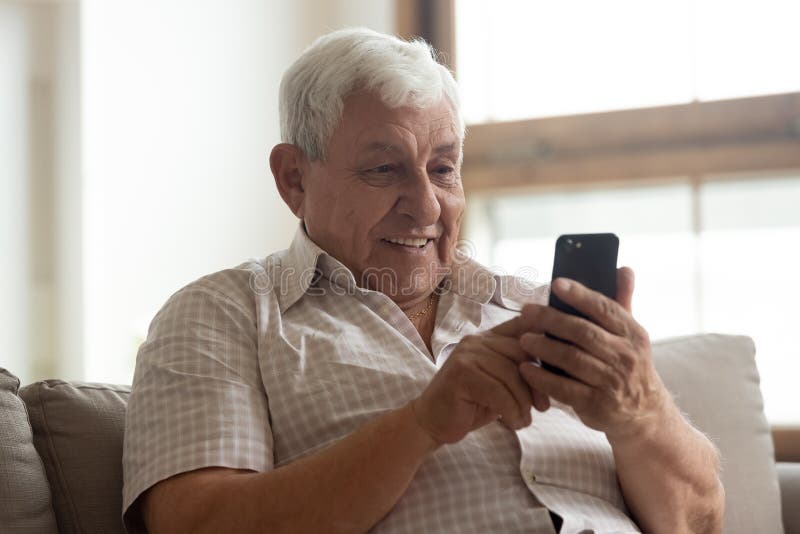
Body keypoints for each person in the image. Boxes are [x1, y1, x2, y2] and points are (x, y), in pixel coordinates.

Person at [122, 28, 724, 534]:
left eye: (443, 169)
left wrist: (640, 413)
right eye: (384, 170)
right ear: (294, 179)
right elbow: (195, 523)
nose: (428, 207)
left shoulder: (534, 306)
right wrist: (420, 425)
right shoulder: (223, 315)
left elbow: (701, 520)